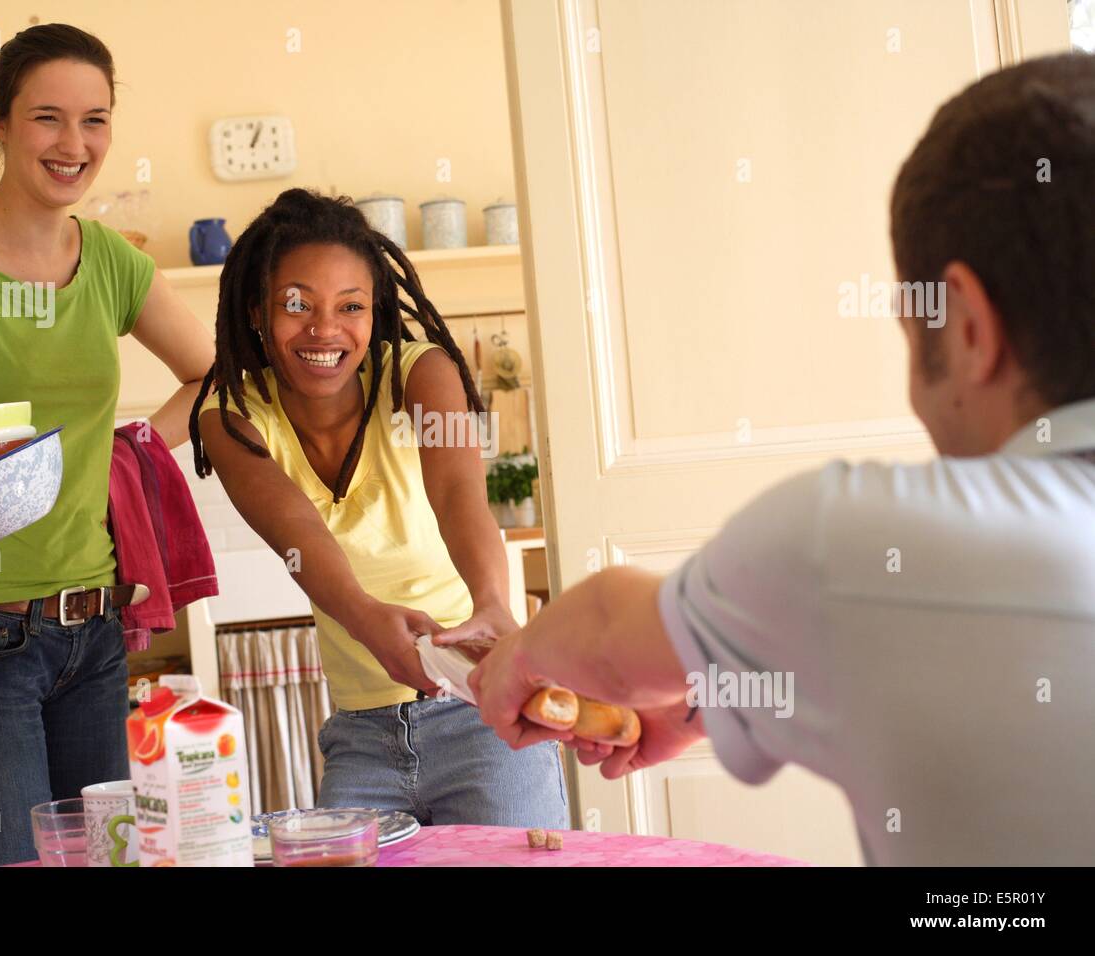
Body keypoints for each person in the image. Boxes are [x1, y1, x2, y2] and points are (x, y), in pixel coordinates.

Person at [459, 52, 1095, 866]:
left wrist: (517, 658)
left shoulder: (853, 541)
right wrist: (712, 684)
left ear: (967, 327)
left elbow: (611, 624)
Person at [0, 24, 214, 865]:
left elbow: (213, 373)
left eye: (95, 121)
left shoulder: (113, 265)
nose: (73, 144)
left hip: (91, 630)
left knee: (107, 862)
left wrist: (127, 452)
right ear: (0, 122)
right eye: (48, 118)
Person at [189, 189, 567, 828]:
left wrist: (493, 605)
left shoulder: (424, 376)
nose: (324, 329)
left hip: (480, 712)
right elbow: (298, 535)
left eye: (351, 306)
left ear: (376, 312)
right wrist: (368, 622)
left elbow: (457, 495)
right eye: (296, 304)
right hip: (361, 738)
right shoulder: (232, 418)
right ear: (257, 311)